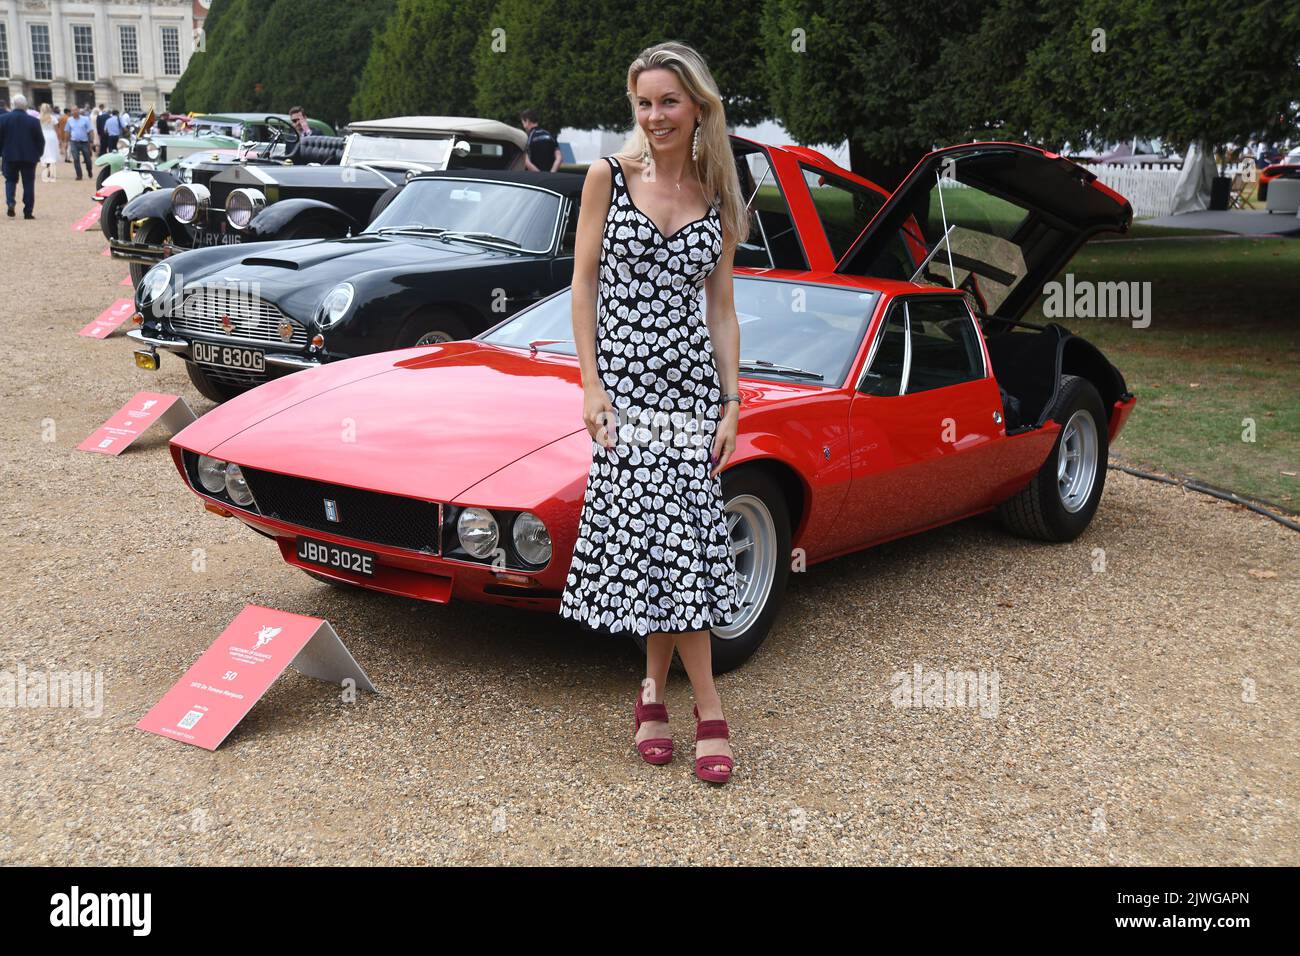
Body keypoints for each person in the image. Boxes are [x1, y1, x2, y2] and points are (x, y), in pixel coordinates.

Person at [557, 42, 747, 785]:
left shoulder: (720, 192)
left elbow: (723, 310)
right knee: (667, 543)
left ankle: (648, 695)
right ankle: (709, 706)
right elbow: (582, 288)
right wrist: (590, 385)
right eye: (644, 102)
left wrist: (733, 402)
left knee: (674, 545)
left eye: (669, 101)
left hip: (693, 394)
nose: (655, 115)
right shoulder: (607, 176)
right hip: (627, 396)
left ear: (698, 105)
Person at [0, 94, 46, 218]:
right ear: (25, 106)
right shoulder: (34, 121)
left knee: (10, 181)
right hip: (29, 156)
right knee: (28, 184)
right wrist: (38, 153)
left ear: (13, 104)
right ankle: (28, 211)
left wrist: (1, 153)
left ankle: (10, 202)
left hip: (9, 155)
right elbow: (40, 140)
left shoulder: (3, 119)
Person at [66, 106, 94, 181]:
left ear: (78, 110)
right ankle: (79, 175)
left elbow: (90, 130)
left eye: (76, 110)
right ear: (71, 112)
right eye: (73, 110)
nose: (74, 112)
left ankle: (89, 170)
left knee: (87, 159)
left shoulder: (85, 119)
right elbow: (67, 131)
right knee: (75, 159)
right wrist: (67, 141)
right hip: (74, 142)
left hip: (84, 142)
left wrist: (91, 141)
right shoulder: (69, 120)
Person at [38, 103, 59, 182]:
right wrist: (58, 138)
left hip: (43, 135)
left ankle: (47, 168)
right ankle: (51, 170)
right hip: (51, 135)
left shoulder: (38, 118)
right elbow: (56, 129)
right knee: (52, 153)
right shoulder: (53, 118)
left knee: (45, 153)